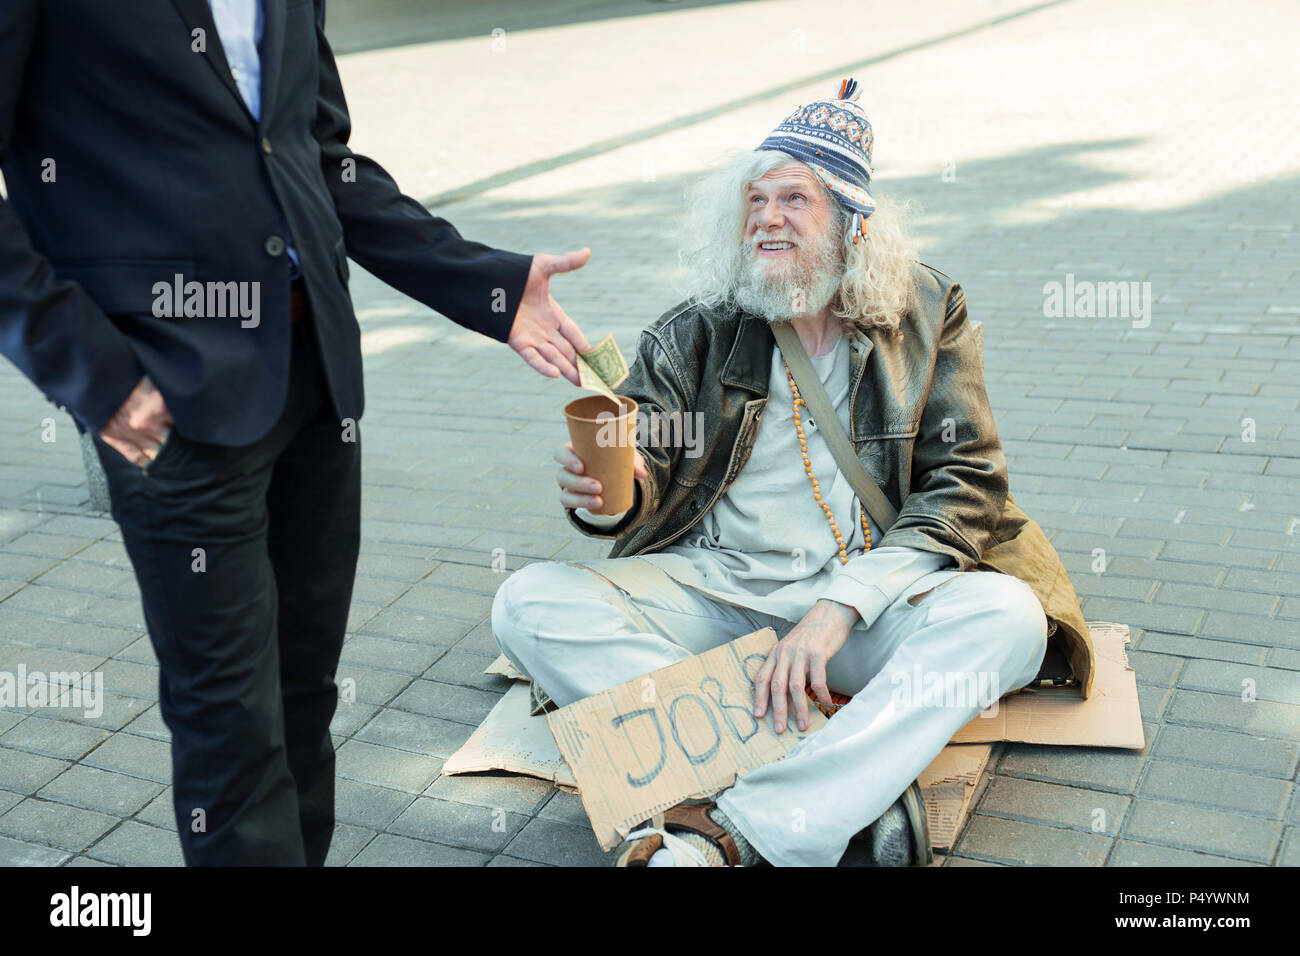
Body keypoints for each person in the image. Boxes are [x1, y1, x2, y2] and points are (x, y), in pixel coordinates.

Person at [0, 0, 591, 865]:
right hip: (167, 403)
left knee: (301, 697)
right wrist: (98, 380)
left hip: (315, 379)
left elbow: (318, 156)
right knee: (231, 725)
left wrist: (488, 286)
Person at [491, 78, 1095, 866]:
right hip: (719, 596)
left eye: (794, 200)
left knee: (1006, 618)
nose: (767, 218)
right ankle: (834, 790)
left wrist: (841, 606)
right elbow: (647, 461)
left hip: (864, 598)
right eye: (755, 200)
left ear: (851, 223)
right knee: (528, 603)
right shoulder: (694, 331)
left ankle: (732, 829)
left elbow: (968, 479)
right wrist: (613, 496)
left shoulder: (923, 309)